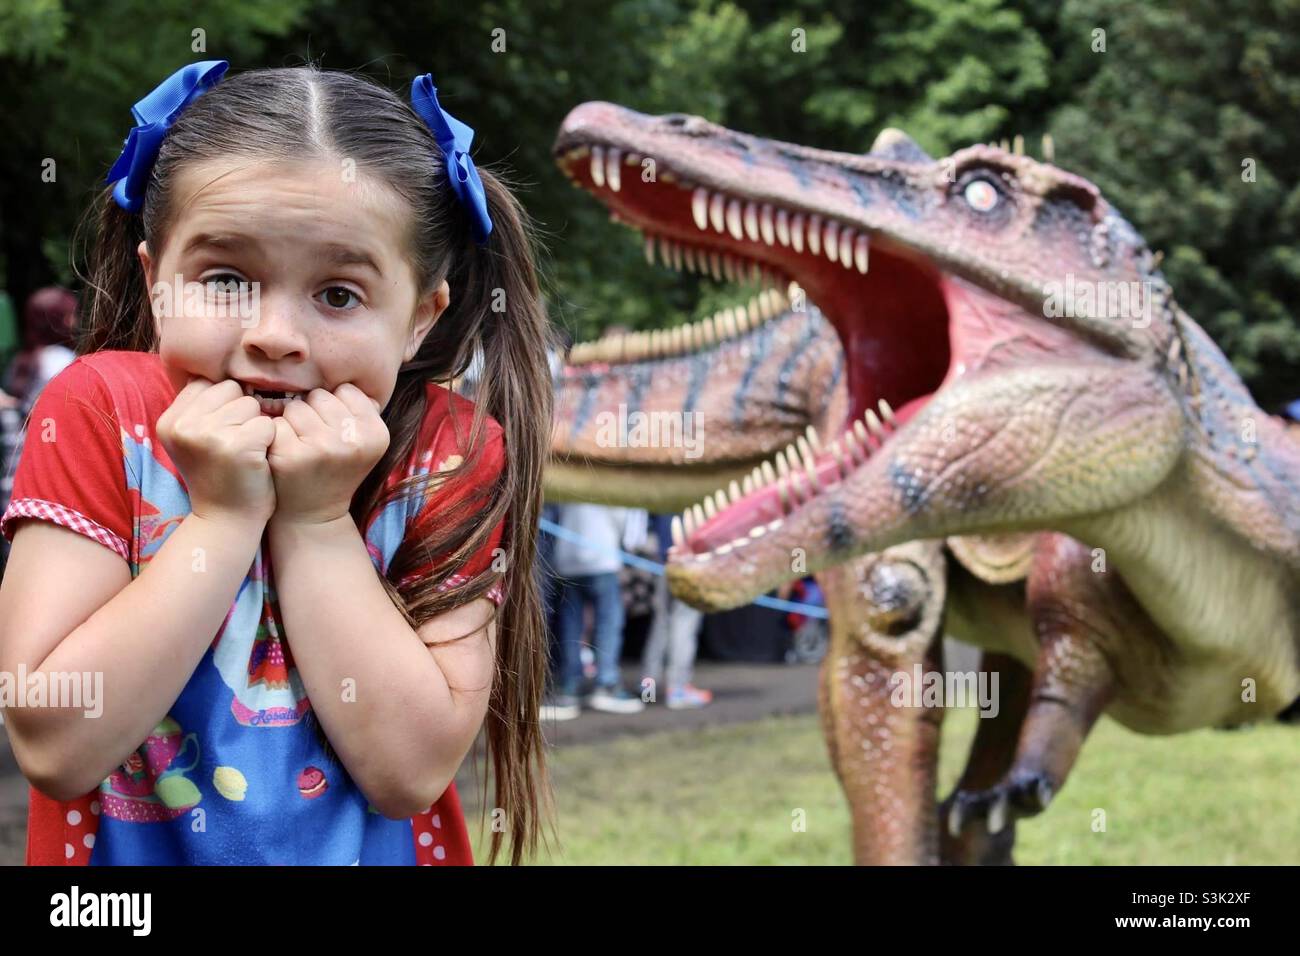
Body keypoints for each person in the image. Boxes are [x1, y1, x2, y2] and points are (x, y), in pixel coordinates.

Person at [0, 61, 555, 866]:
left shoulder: (452, 453)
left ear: (418, 319)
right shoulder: (98, 414)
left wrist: (318, 522)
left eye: (338, 295)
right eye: (225, 279)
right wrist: (223, 520)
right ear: (159, 282)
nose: (274, 335)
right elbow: (56, 743)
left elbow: (408, 772)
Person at [0, 287, 79, 574]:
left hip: (14, 481)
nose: (75, 321)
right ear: (57, 320)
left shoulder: (22, 363)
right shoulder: (63, 362)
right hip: (48, 483)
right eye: (70, 315)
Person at [550, 502, 647, 714]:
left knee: (571, 624)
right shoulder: (608, 482)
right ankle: (606, 683)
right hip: (601, 557)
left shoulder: (571, 477)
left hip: (567, 558)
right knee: (608, 622)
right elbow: (628, 526)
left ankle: (570, 686)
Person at [641, 514, 712, 709]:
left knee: (662, 623)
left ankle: (649, 688)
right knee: (684, 622)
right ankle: (678, 689)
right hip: (688, 562)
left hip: (663, 561)